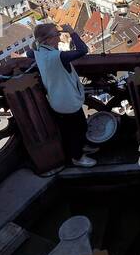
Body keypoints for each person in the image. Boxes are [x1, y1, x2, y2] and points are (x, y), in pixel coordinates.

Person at [30, 21, 96, 168]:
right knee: (74, 131)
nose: (60, 35)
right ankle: (77, 157)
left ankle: (82, 148)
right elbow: (82, 50)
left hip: (60, 98)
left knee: (79, 126)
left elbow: (30, 52)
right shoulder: (56, 56)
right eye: (56, 33)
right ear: (47, 39)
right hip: (66, 100)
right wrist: (71, 32)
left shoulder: (38, 52)